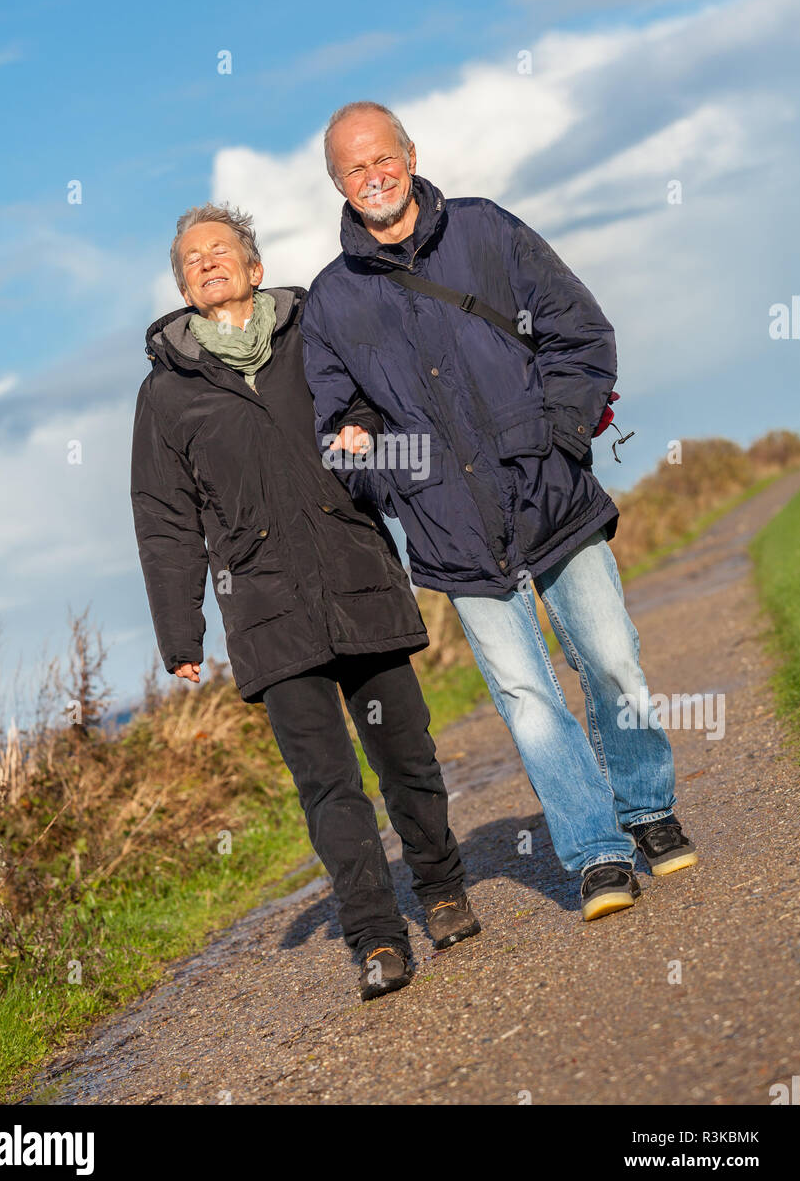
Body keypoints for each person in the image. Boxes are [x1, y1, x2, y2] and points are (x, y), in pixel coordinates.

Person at [300, 101, 697, 923]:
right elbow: (343, 433)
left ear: (409, 155)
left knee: (613, 659)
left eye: (383, 158)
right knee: (527, 696)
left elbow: (578, 332)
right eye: (352, 168)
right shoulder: (332, 301)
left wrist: (558, 435)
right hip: (454, 531)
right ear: (335, 183)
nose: (373, 175)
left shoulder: (485, 229)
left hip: (552, 493)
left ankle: (648, 808)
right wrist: (405, 477)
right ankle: (597, 851)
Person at [130, 202, 480, 1001]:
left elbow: (374, 404)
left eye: (222, 250)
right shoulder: (164, 396)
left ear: (255, 267)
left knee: (407, 756)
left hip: (356, 574)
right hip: (266, 612)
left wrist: (371, 450)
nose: (208, 262)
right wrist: (179, 630)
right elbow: (163, 518)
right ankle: (377, 940)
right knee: (328, 787)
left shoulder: (314, 331)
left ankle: (443, 889)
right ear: (183, 287)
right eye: (192, 259)